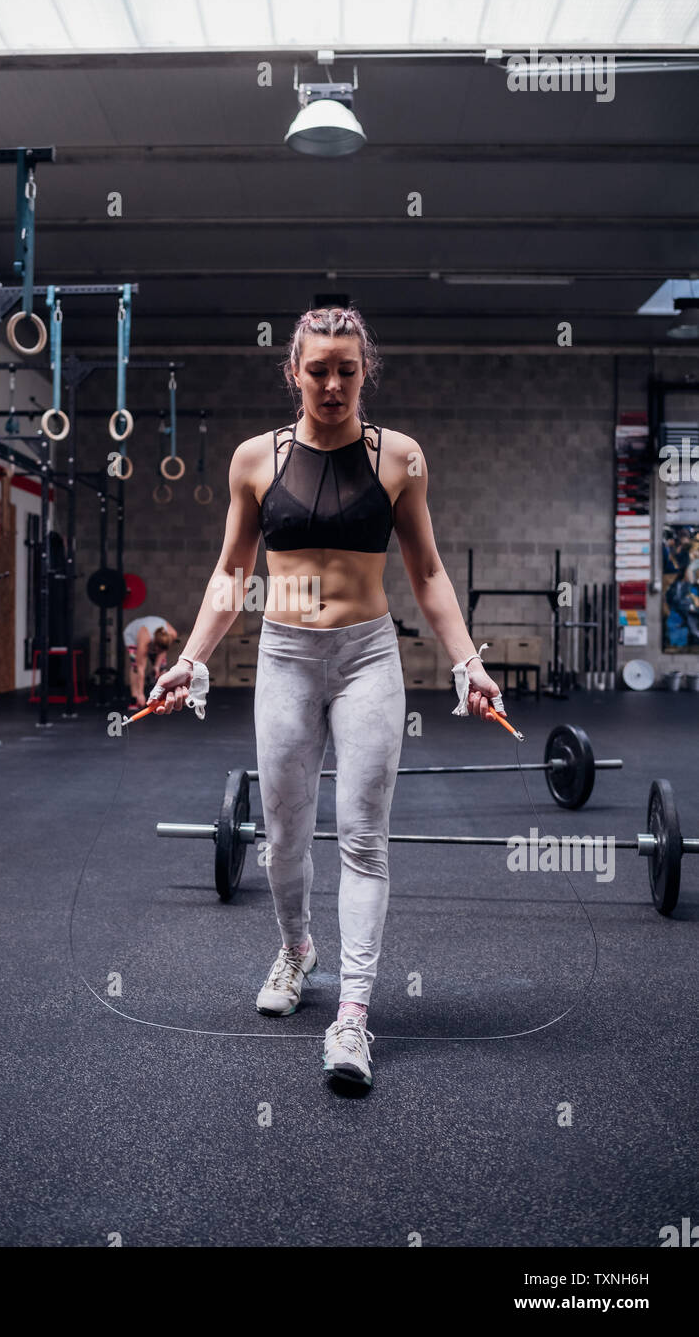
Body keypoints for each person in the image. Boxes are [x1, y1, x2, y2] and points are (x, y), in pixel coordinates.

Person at [149, 306, 501, 1090]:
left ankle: (351, 1018)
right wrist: (191, 660)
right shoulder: (255, 460)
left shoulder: (399, 459)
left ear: (364, 371)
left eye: (347, 369)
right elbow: (231, 575)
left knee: (364, 837)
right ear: (293, 373)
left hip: (368, 656)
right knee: (283, 834)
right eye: (318, 370)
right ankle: (297, 948)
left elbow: (430, 572)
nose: (333, 384)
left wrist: (468, 662)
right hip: (284, 657)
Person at [123, 615, 178, 711]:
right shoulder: (144, 640)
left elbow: (163, 650)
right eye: (156, 650)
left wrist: (157, 666)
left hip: (155, 636)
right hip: (132, 635)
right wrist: (141, 693)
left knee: (162, 668)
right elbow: (140, 668)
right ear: (154, 645)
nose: (157, 653)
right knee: (135, 666)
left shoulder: (172, 634)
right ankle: (135, 699)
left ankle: (163, 696)